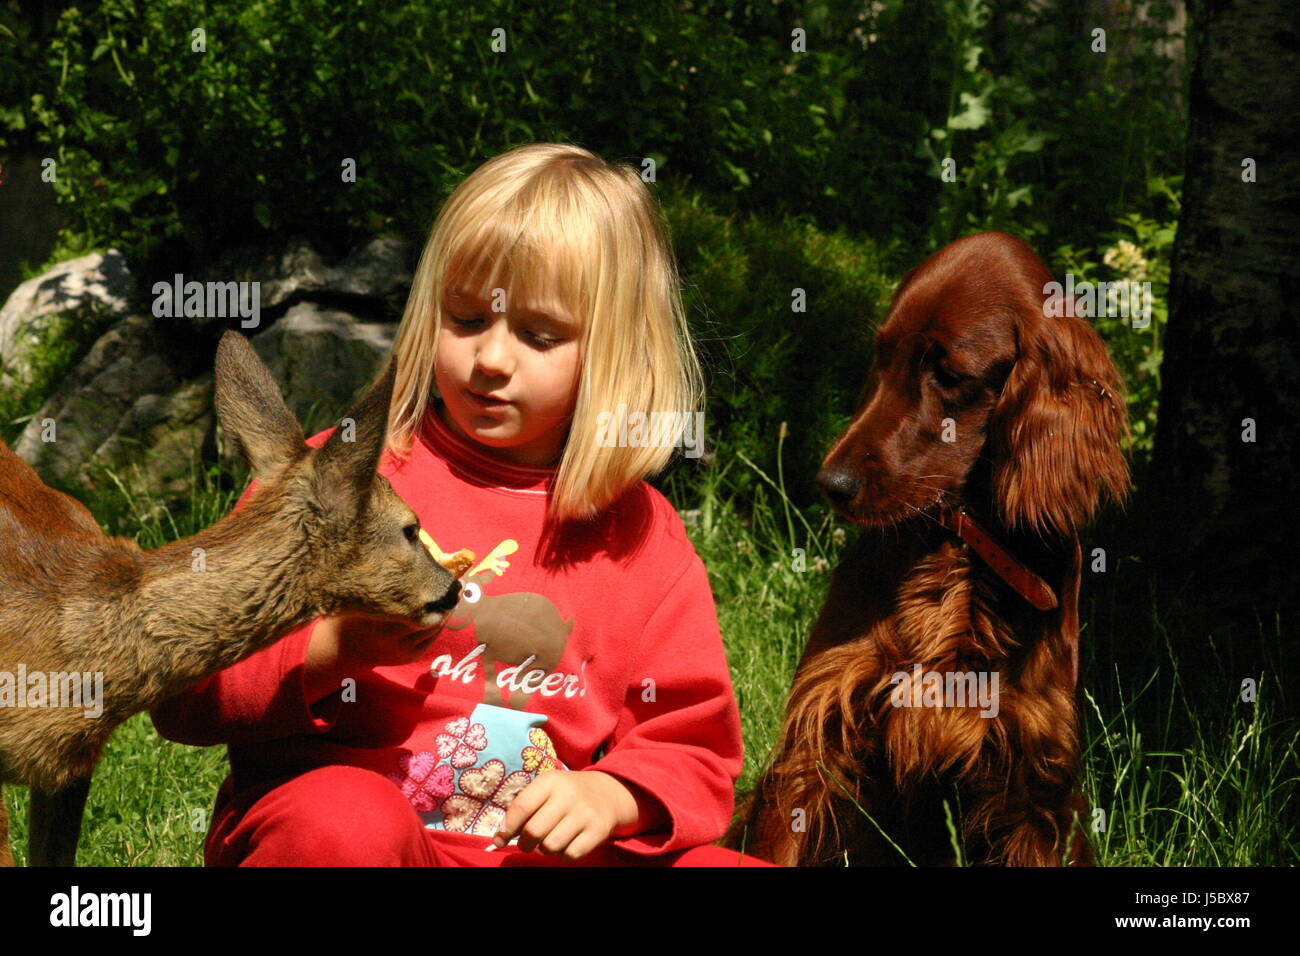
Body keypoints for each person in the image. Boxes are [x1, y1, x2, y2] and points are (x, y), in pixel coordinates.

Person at [151, 143, 779, 867]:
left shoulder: (641, 536)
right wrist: (332, 652)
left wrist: (613, 795)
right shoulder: (337, 482)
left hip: (532, 856)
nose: (491, 359)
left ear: (615, 354)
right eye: (466, 319)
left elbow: (689, 744)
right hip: (367, 842)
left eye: (538, 336)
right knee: (343, 820)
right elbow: (185, 687)